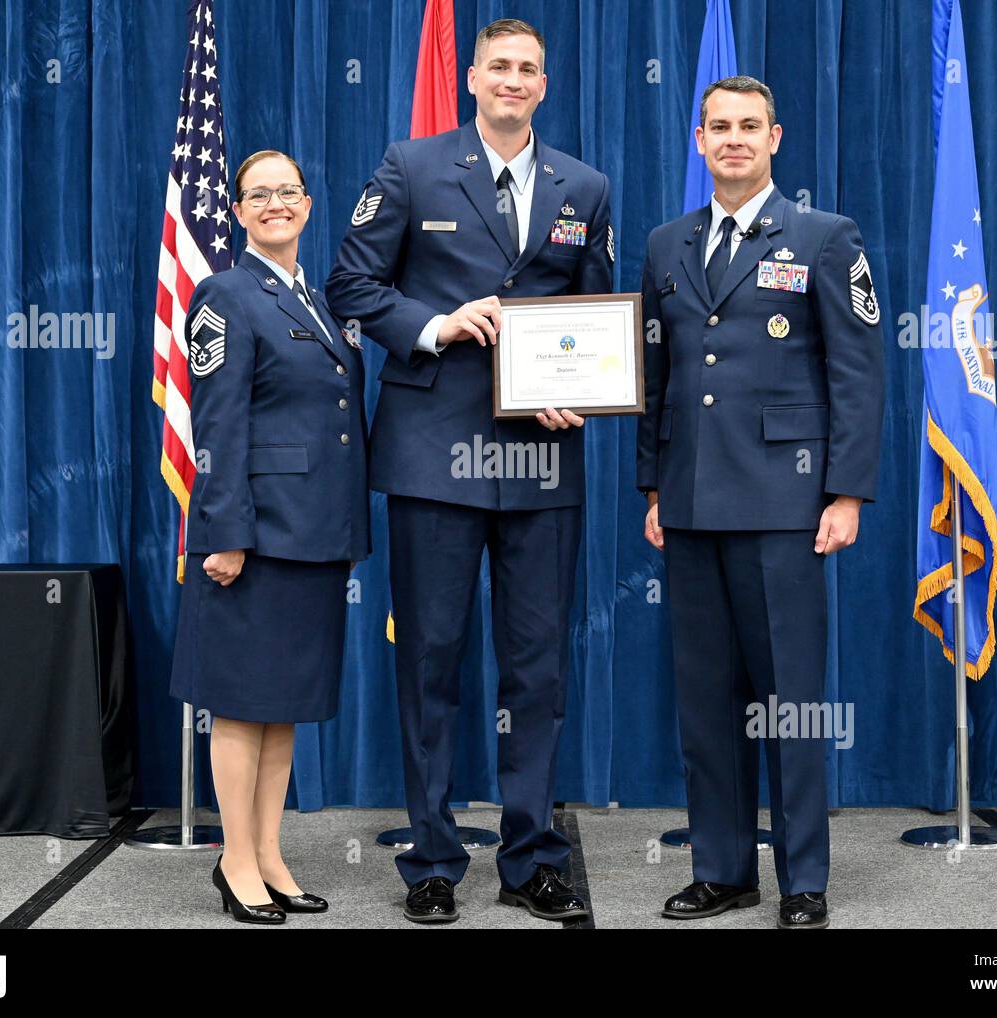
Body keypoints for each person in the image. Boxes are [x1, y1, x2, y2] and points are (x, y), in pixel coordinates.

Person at [326, 18, 613, 924]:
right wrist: (440, 325)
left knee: (538, 669)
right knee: (433, 664)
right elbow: (351, 287)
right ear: (474, 79)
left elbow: (597, 313)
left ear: (543, 83)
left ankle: (530, 856)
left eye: (530, 68)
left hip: (541, 459)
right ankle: (433, 860)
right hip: (434, 455)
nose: (514, 80)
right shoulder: (409, 166)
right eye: (500, 66)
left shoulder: (586, 186)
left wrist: (588, 389)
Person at [637, 77, 884, 929]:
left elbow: (857, 373)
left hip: (787, 503)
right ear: (697, 138)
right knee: (706, 704)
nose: (733, 139)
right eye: (719, 127)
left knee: (791, 700)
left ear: (775, 137)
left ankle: (804, 879)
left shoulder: (824, 236)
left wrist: (847, 489)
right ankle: (722, 870)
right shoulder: (667, 244)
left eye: (750, 126)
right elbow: (657, 377)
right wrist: (653, 487)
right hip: (695, 502)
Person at [170, 150, 370, 924]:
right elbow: (216, 423)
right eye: (261, 195)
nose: (276, 204)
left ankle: (271, 853)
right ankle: (236, 864)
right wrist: (223, 533)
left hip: (313, 532)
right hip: (253, 536)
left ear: (309, 204)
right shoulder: (226, 295)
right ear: (241, 211)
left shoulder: (314, 299)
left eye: (289, 191)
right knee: (239, 706)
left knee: (281, 706)